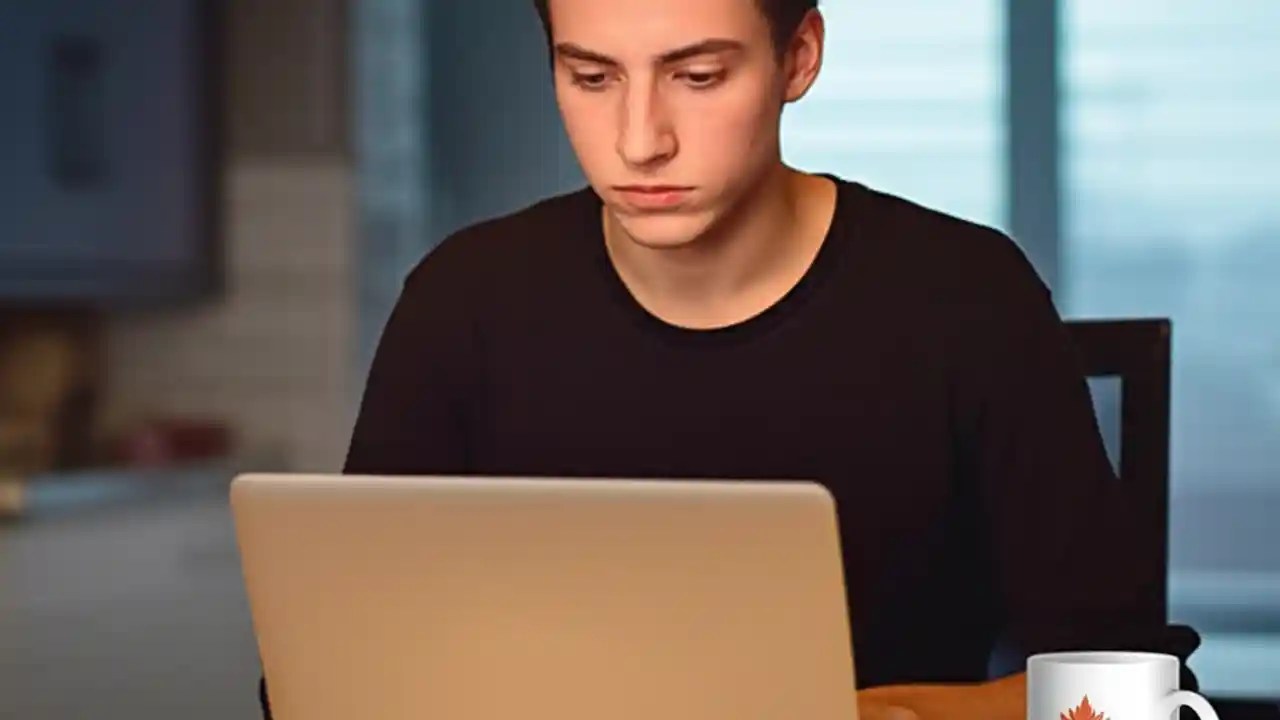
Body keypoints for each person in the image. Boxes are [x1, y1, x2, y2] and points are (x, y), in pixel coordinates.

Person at [259, 0, 1201, 717]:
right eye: (591, 79)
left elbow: (1128, 695)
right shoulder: (464, 300)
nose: (639, 142)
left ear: (800, 57)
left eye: (698, 77)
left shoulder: (965, 295)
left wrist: (892, 713)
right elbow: (329, 674)